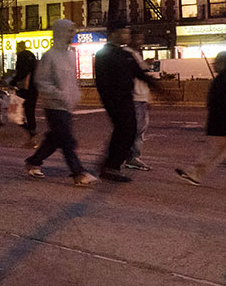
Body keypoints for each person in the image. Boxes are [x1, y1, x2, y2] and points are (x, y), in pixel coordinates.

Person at [24, 19, 98, 186]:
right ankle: (78, 172)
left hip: (66, 105)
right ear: (61, 32)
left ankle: (34, 161)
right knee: (66, 140)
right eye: (70, 30)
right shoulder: (49, 56)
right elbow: (41, 81)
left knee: (55, 138)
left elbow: (72, 79)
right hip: (54, 105)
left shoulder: (71, 55)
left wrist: (74, 94)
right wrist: (58, 94)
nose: (73, 34)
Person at [94, 20, 158, 182]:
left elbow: (139, 74)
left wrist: (160, 89)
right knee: (125, 130)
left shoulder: (126, 54)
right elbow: (101, 81)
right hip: (115, 99)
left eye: (127, 32)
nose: (127, 35)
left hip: (127, 97)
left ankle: (110, 164)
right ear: (113, 34)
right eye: (123, 32)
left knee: (128, 131)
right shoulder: (105, 54)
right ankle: (111, 166)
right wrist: (108, 99)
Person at [176, 52, 226, 186]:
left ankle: (195, 174)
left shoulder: (222, 80)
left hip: (220, 123)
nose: (214, 66)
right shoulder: (221, 79)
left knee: (214, 152)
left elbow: (216, 103)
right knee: (215, 152)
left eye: (216, 63)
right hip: (220, 123)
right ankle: (195, 174)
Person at [125, 29, 153, 170]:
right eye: (137, 38)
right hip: (135, 97)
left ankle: (129, 156)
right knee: (136, 129)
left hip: (141, 97)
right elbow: (135, 74)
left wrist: (148, 99)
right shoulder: (128, 55)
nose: (140, 42)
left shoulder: (136, 54)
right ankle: (132, 157)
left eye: (141, 39)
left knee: (139, 129)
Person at [11, 41, 39, 147]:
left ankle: (29, 130)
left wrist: (12, 81)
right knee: (30, 112)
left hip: (24, 89)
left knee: (14, 113)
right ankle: (32, 132)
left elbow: (21, 72)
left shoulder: (21, 56)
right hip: (34, 88)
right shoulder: (31, 55)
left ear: (19, 47)